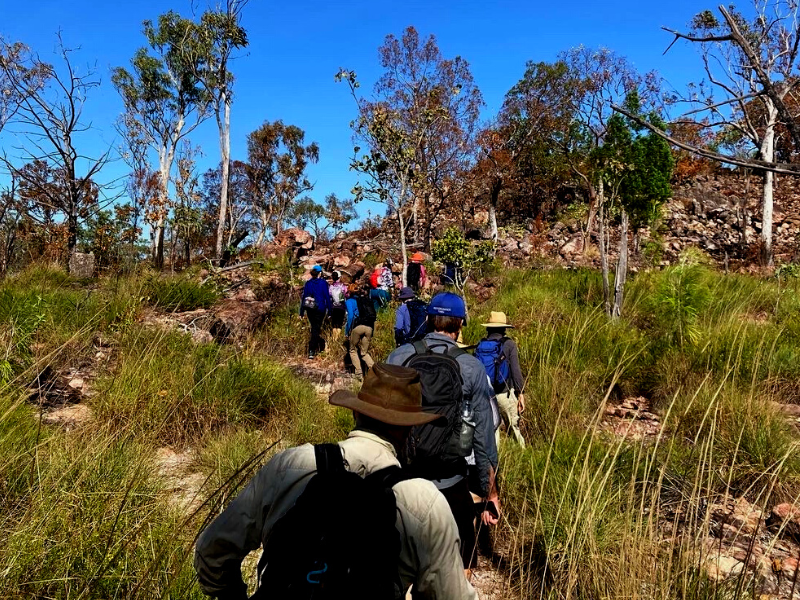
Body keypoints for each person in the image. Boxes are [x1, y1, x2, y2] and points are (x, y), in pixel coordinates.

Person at [194, 363, 478, 600]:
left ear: (356, 412)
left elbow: (211, 553)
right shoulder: (424, 503)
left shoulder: (290, 465)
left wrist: (233, 595)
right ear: (411, 429)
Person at [387, 292, 499, 572]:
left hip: (403, 479)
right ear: (460, 324)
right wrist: (489, 493)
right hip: (451, 482)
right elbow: (483, 439)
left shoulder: (400, 356)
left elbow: (381, 419)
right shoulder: (471, 367)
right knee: (461, 563)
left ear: (428, 320)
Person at [475, 311, 526, 448]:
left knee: (493, 429)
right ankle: (523, 453)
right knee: (514, 427)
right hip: (504, 393)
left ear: (488, 327)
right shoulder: (509, 344)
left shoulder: (480, 344)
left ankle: (496, 457)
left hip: (485, 394)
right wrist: (521, 393)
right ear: (504, 328)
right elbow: (515, 370)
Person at [299, 265, 332, 359]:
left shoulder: (308, 283)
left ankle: (313, 348)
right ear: (320, 273)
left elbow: (304, 297)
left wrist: (301, 312)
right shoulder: (323, 283)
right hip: (320, 308)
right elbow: (327, 297)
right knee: (316, 328)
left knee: (314, 327)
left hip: (310, 308)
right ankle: (312, 349)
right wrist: (330, 311)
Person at [345, 284, 376, 381]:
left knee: (352, 350)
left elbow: (351, 316)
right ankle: (376, 371)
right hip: (369, 328)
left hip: (358, 327)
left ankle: (358, 374)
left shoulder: (350, 301)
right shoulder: (366, 300)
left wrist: (347, 331)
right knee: (364, 353)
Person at [328, 270, 348, 340]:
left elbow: (330, 295)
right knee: (339, 324)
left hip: (333, 307)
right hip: (341, 307)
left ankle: (333, 338)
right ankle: (336, 339)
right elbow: (347, 295)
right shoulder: (343, 286)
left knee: (334, 324)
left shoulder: (331, 287)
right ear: (339, 277)